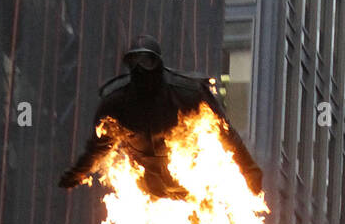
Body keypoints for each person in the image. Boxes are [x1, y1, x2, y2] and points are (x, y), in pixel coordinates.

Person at [59, 35, 263, 201]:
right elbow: (99, 146)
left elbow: (225, 135)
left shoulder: (188, 94)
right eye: (134, 62)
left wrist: (249, 169)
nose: (140, 68)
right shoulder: (116, 104)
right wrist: (78, 172)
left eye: (146, 61)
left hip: (194, 186)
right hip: (152, 191)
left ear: (157, 62)